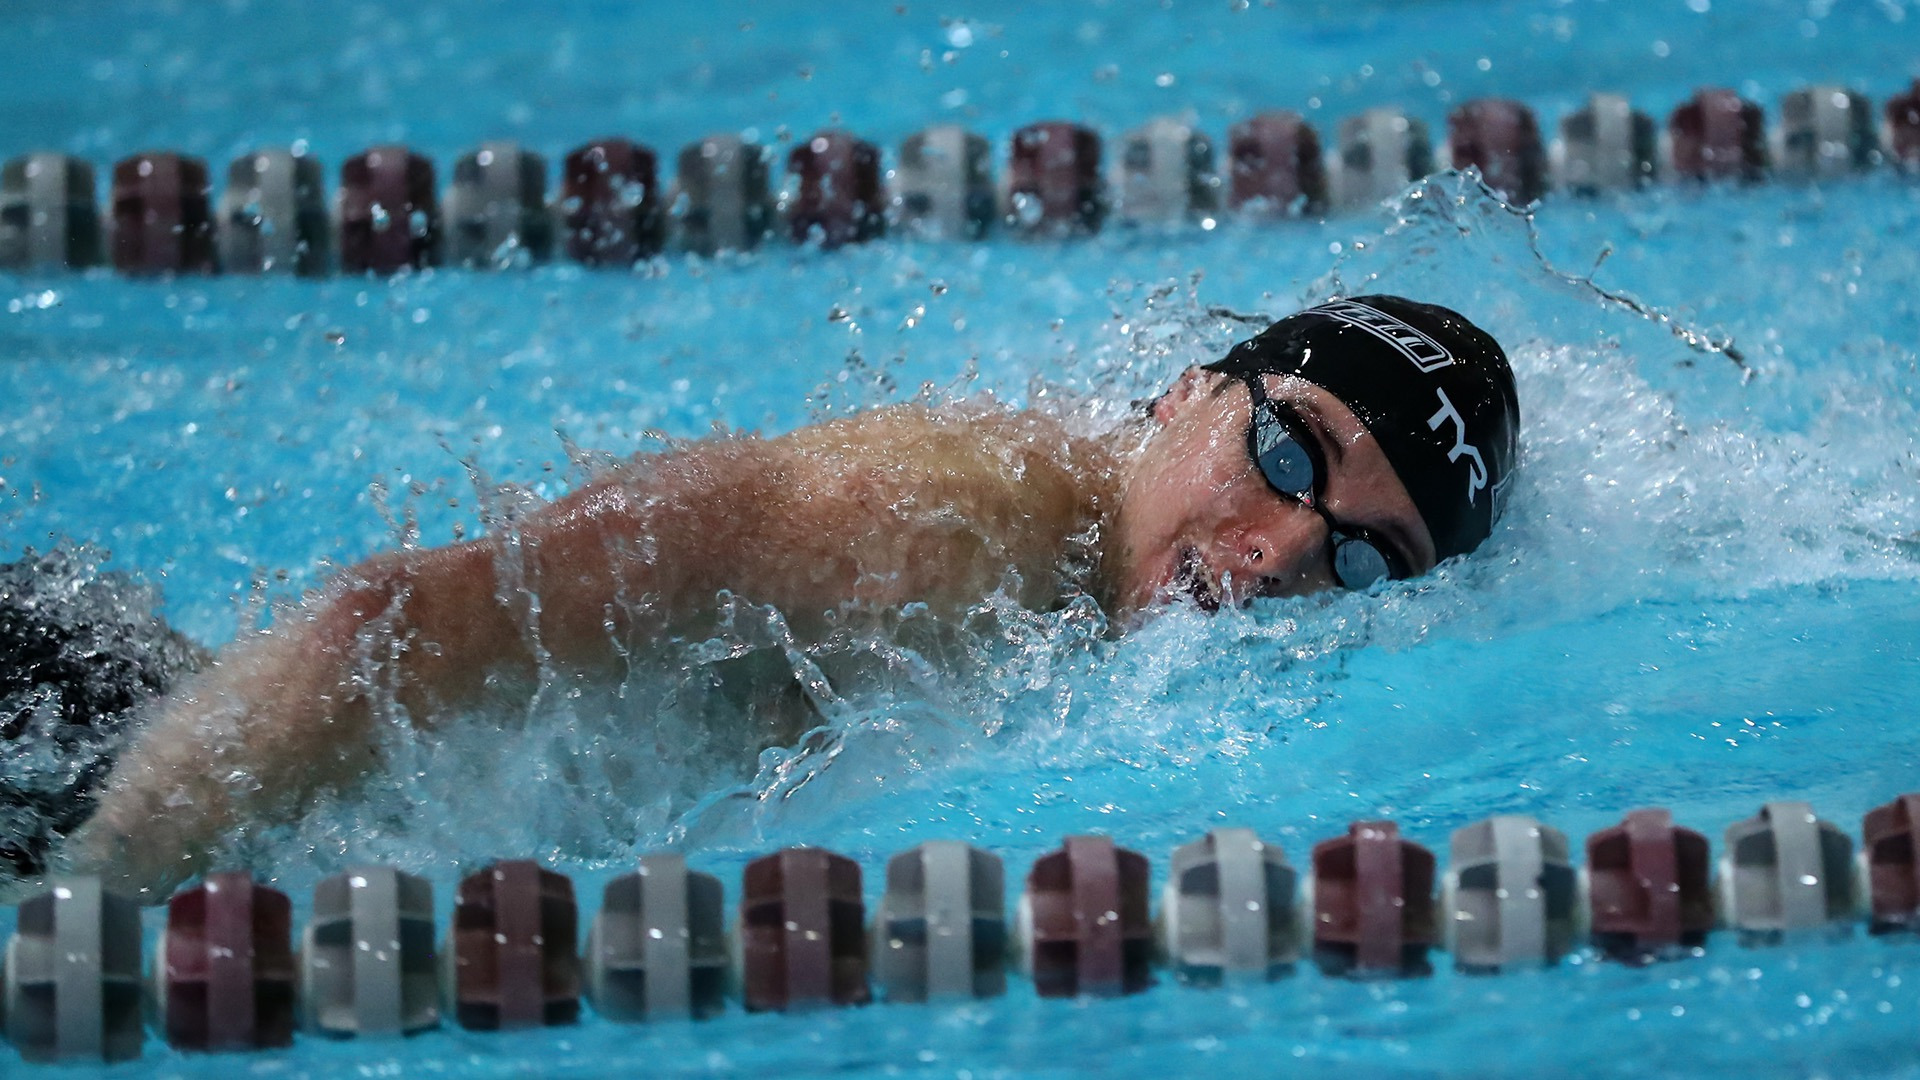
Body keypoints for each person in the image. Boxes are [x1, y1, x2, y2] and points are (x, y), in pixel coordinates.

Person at [13, 294, 1518, 897]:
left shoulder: (1114, 632)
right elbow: (381, 631)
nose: (1273, 556)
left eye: (1362, 557)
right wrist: (79, 908)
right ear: (1190, 388)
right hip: (100, 757)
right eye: (1279, 450)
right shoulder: (926, 519)